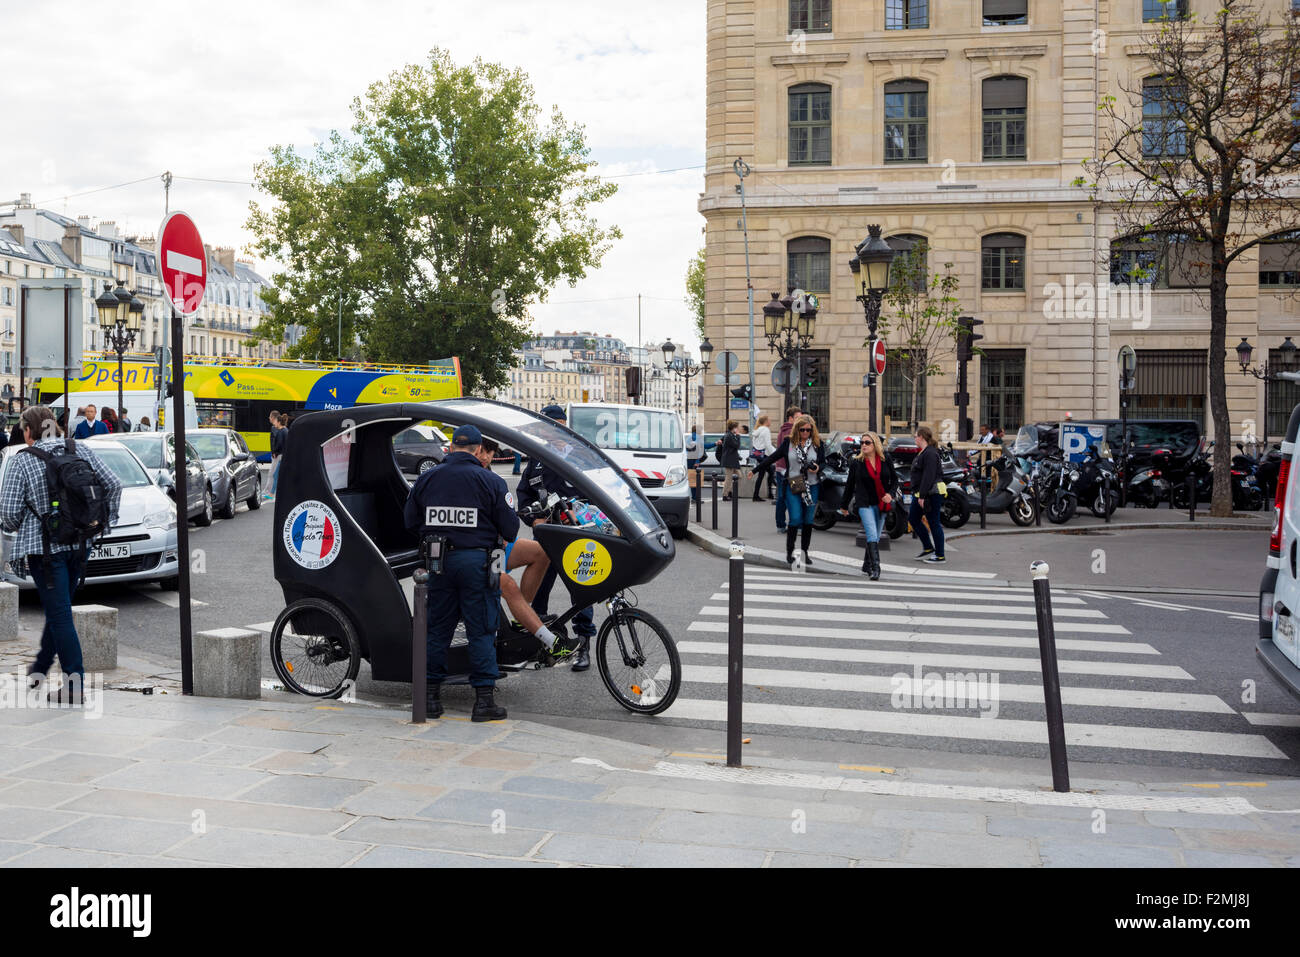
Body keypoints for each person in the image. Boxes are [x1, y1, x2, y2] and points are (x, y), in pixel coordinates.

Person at [0, 406, 122, 704]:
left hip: (45, 551)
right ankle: (41, 667)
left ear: (28, 431)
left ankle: (74, 685)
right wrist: (104, 522)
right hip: (80, 545)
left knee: (60, 614)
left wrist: (20, 523)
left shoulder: (22, 460)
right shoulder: (77, 447)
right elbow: (114, 485)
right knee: (60, 609)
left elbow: (8, 514)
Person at [403, 425, 518, 722]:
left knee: (437, 629)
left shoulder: (427, 478)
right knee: (480, 629)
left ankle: (429, 698)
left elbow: (410, 520)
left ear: (452, 446)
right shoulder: (491, 481)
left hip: (438, 561)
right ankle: (483, 702)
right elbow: (511, 529)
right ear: (479, 450)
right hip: (476, 563)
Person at [517, 404, 597, 670]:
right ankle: (539, 645)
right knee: (540, 592)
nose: (549, 433)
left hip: (576, 533)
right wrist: (532, 518)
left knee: (581, 589)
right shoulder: (536, 457)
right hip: (546, 536)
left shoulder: (582, 455)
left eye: (553, 427)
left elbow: (598, 492)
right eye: (544, 428)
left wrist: (583, 512)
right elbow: (524, 494)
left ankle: (583, 646)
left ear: (563, 425)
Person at [473, 438, 561, 650]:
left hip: (496, 545)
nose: (485, 457)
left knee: (541, 552)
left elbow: (510, 524)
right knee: (508, 587)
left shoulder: (491, 476)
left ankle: (523, 616)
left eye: (490, 452)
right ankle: (550, 642)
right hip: (478, 550)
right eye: (481, 451)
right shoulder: (475, 478)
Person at [753, 413, 824, 567]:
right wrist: (756, 470)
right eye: (802, 430)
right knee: (796, 518)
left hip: (812, 485)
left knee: (808, 520)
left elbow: (823, 463)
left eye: (808, 430)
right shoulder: (788, 443)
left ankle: (805, 552)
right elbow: (772, 458)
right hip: (795, 482)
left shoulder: (817, 444)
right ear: (797, 430)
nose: (805, 433)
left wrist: (818, 467)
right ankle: (789, 552)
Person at [839, 431, 896, 580]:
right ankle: (875, 568)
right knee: (871, 533)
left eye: (867, 443)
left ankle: (866, 564)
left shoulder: (885, 459)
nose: (863, 445)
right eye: (862, 443)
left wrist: (891, 494)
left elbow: (895, 480)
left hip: (881, 502)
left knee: (875, 536)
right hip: (864, 503)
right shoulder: (857, 463)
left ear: (875, 444)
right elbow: (849, 486)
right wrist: (843, 505)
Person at [909, 425, 946, 564]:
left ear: (921, 437)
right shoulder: (925, 452)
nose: (914, 439)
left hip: (931, 492)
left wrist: (922, 496)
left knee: (934, 522)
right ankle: (928, 547)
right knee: (913, 518)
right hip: (922, 492)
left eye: (915, 436)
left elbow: (928, 476)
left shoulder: (930, 453)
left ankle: (940, 555)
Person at [771, 406, 800, 531]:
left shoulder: (784, 430)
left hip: (782, 468)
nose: (801, 420)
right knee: (795, 497)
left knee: (782, 498)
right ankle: (796, 525)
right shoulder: (790, 431)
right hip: (790, 469)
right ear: (791, 418)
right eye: (798, 418)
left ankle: (781, 525)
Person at [751, 414, 774, 502]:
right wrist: (773, 455)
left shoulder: (757, 430)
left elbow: (755, 443)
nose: (770, 421)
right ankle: (759, 495)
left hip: (759, 455)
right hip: (765, 455)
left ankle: (763, 494)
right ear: (766, 422)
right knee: (767, 473)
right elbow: (768, 444)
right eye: (769, 420)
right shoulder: (766, 430)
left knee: (768, 472)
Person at [719, 420, 742, 502]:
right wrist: (738, 436)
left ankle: (730, 491)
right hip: (729, 460)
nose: (738, 429)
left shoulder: (730, 435)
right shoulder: (729, 436)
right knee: (728, 478)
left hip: (732, 460)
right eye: (737, 427)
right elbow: (737, 445)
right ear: (734, 428)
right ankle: (725, 495)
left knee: (739, 476)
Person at [266, 412, 287, 501]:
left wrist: (275, 452)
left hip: (281, 456)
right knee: (277, 475)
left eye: (275, 422)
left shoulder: (281, 431)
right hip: (284, 455)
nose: (274, 424)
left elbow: (279, 444)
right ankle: (273, 493)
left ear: (279, 422)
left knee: (275, 475)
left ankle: (272, 494)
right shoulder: (286, 430)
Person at [685, 426, 703, 503]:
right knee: (695, 479)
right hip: (693, 460)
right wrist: (697, 460)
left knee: (693, 479)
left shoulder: (690, 437)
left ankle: (694, 497)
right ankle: (695, 498)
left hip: (689, 459)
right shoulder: (696, 437)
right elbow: (699, 449)